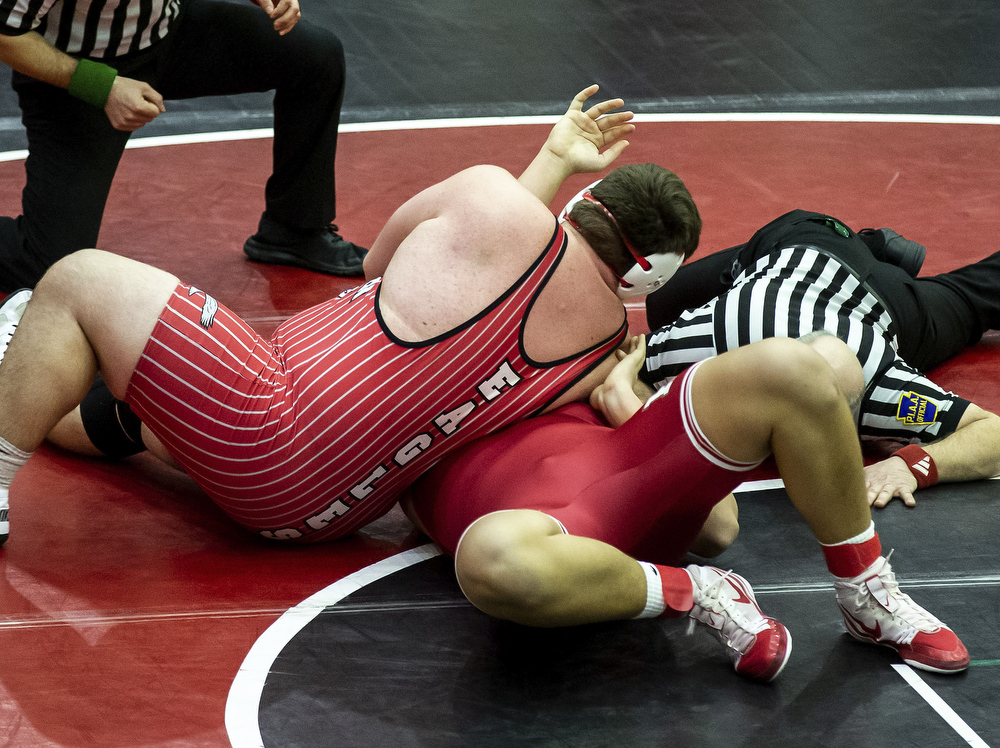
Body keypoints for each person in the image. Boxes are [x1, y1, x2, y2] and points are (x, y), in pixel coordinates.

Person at [0, 86, 703, 548]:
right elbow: (513, 280)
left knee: (76, 280)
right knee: (134, 405)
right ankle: (24, 374)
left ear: (589, 196)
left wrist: (550, 159)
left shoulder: (491, 195)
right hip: (329, 512)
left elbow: (381, 264)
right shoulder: (604, 347)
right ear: (648, 277)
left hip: (264, 419)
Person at [402, 331, 970, 681]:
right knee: (492, 558)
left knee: (801, 365)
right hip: (551, 534)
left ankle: (867, 595)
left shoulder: (551, 353)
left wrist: (621, 391)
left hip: (619, 487)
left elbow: (719, 527)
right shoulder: (391, 428)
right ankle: (702, 593)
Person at [637, 209, 1000, 508]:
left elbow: (991, 433)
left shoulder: (879, 385)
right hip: (793, 245)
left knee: (970, 299)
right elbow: (617, 368)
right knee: (660, 303)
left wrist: (910, 466)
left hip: (879, 295)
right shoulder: (708, 340)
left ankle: (871, 254)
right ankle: (871, 248)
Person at [0, 0, 365, 292]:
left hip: (168, 35)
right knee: (50, 267)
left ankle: (295, 230)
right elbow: (4, 34)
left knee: (315, 55)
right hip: (78, 71)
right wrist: (100, 86)